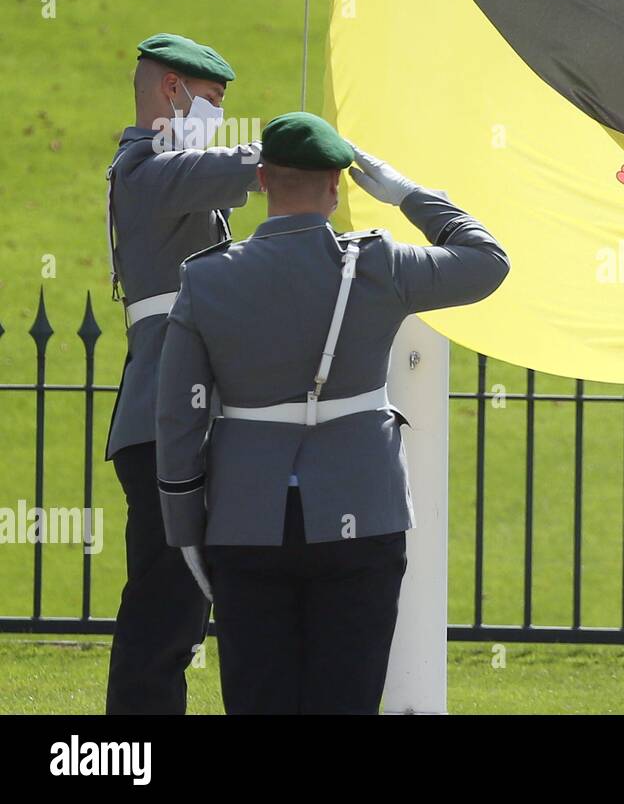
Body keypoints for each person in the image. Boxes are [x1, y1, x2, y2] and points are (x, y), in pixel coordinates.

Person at [155, 112, 509, 714]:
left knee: (258, 697)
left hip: (247, 520)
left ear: (263, 179)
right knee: (347, 696)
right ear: (336, 186)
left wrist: (186, 528)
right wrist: (406, 194)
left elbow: (177, 420)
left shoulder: (208, 279)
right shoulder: (378, 265)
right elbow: (486, 260)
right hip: (361, 513)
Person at [105, 32, 260, 714]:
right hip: (169, 425)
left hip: (191, 420)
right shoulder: (149, 170)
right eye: (210, 102)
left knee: (187, 611)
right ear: (172, 92)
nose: (218, 118)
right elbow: (243, 169)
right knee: (165, 613)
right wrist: (308, 152)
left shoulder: (173, 173)